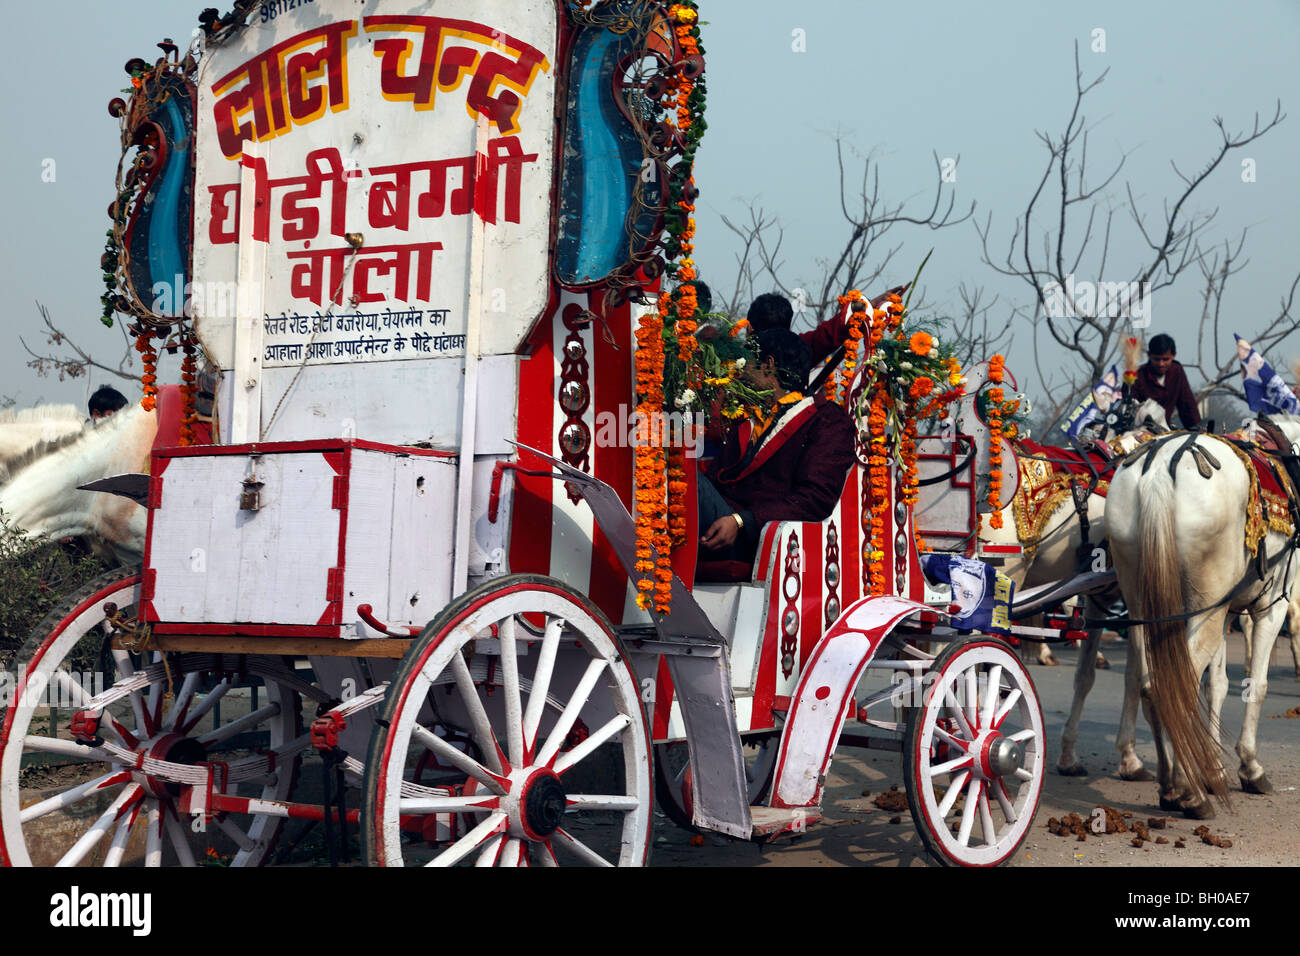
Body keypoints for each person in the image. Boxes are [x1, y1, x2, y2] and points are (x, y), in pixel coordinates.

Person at [698, 328, 857, 562]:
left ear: (768, 365)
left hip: (763, 541)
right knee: (681, 479)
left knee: (689, 483)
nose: (741, 374)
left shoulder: (825, 420)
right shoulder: (748, 420)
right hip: (720, 526)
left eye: (747, 365)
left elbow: (815, 499)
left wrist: (742, 521)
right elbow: (714, 483)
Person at [747, 285, 909, 366]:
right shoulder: (797, 351)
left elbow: (828, 333)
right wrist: (867, 308)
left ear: (749, 328)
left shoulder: (731, 367)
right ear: (788, 329)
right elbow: (828, 334)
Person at [1131, 333, 1201, 428]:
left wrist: (1197, 430)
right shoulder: (1137, 375)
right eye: (1157, 359)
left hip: (1165, 431)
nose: (1161, 364)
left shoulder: (1177, 372)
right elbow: (1130, 409)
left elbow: (1187, 406)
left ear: (1173, 356)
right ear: (1149, 355)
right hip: (1140, 432)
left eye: (1165, 359)